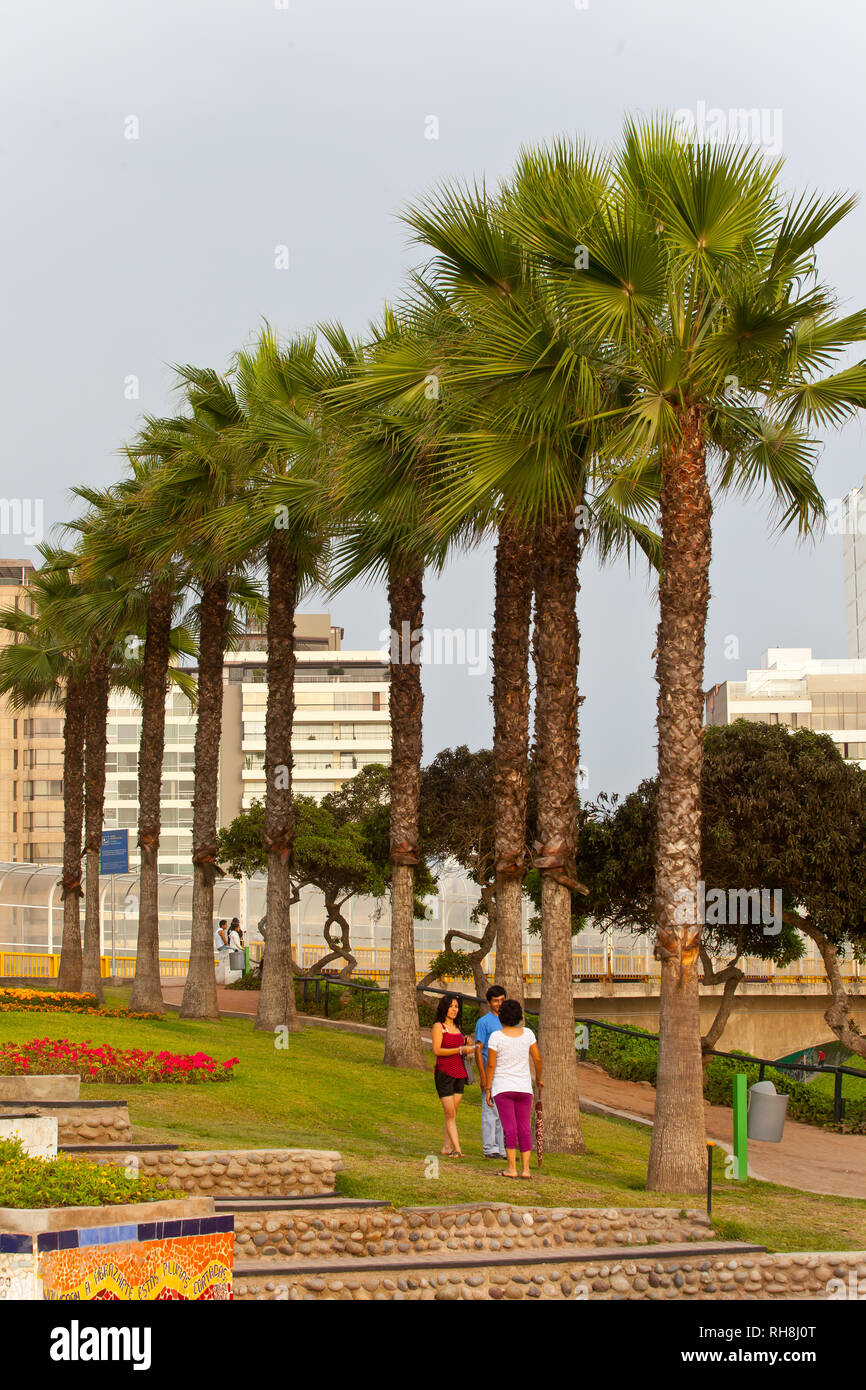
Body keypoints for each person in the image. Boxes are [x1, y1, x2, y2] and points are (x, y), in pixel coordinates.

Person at [484, 998, 543, 1180]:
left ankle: (511, 1168)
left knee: (509, 1128)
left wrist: (488, 1088)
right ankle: (526, 1169)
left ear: (501, 1017)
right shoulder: (528, 1034)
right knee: (524, 1127)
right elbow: (537, 1059)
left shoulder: (496, 1037)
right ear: (519, 1016)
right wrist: (538, 1079)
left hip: (503, 1087)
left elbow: (492, 1065)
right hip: (524, 1087)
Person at [431, 994, 474, 1158]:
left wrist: (466, 1046)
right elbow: (437, 1051)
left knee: (452, 1113)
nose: (454, 1009)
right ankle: (457, 1149)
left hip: (459, 1073)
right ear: (445, 1008)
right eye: (451, 1006)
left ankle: (446, 1146)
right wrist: (459, 1050)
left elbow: (461, 1050)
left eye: (456, 1007)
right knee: (449, 1113)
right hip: (444, 1073)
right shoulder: (438, 1027)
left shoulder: (457, 1028)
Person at [474, 985, 507, 1159]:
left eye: (502, 1000)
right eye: (495, 1001)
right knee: (490, 1111)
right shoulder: (484, 1022)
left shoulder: (509, 1021)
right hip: (490, 1073)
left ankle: (502, 1148)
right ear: (489, 1002)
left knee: (504, 1112)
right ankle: (489, 1147)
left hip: (506, 1074)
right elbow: (478, 1049)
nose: (499, 1004)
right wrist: (483, 1076)